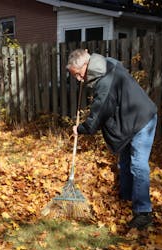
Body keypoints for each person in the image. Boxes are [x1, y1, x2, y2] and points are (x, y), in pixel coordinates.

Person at [67, 49, 157, 230]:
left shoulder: (105, 82)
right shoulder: (105, 64)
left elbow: (98, 115)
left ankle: (143, 213)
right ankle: (126, 197)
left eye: (78, 75)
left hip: (141, 120)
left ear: (85, 65)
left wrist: (81, 129)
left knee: (138, 164)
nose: (78, 80)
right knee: (124, 162)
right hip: (128, 120)